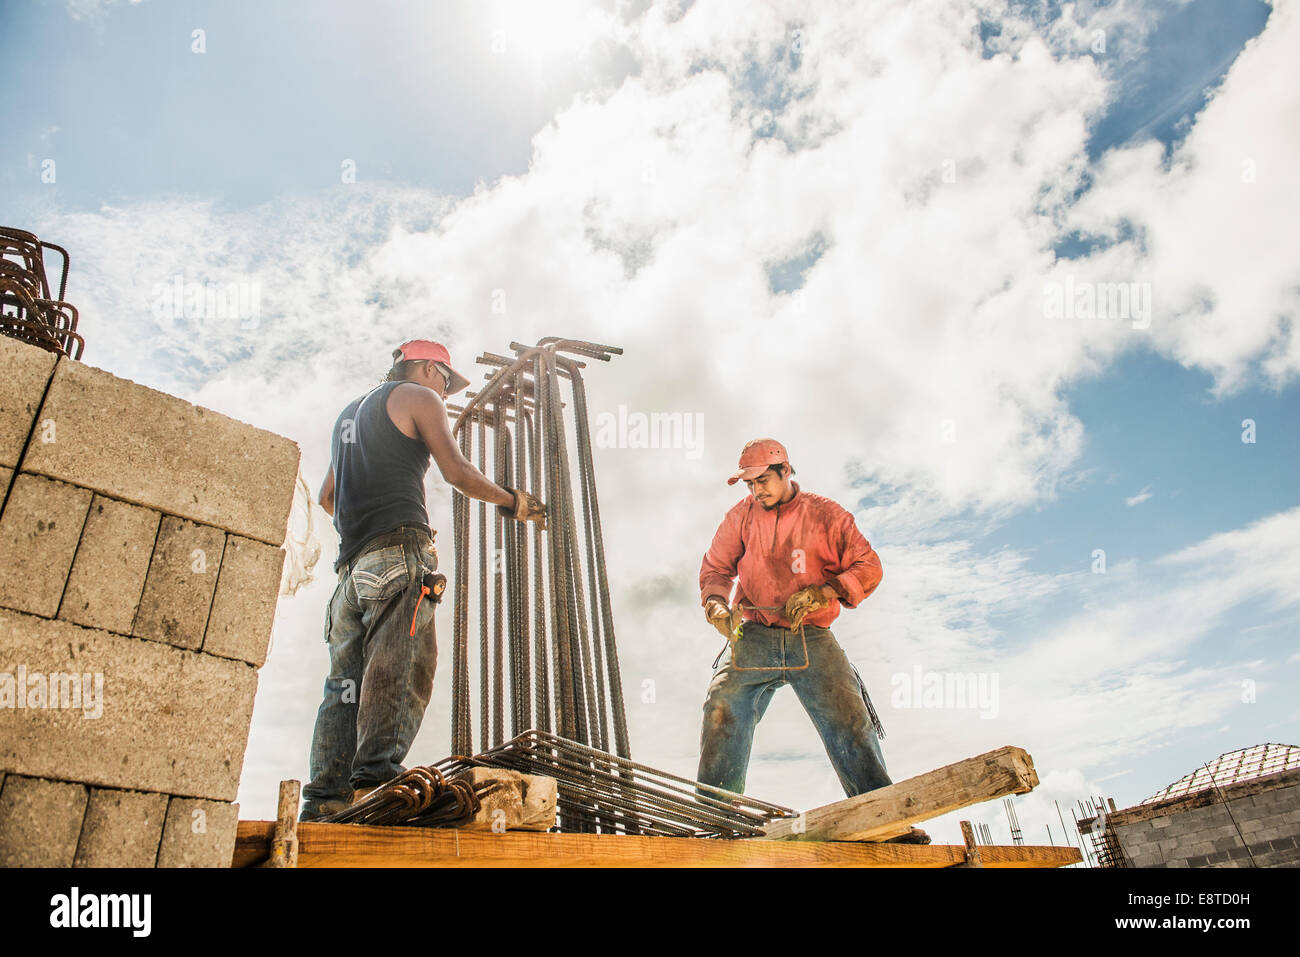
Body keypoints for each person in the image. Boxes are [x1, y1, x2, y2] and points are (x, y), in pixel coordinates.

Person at [300, 339, 546, 821]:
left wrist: (363, 532)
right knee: (401, 665)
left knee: (344, 685)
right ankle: (376, 782)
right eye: (446, 381)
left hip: (350, 573)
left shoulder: (348, 416)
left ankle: (325, 798)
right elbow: (456, 470)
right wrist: (511, 500)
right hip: (399, 554)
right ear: (429, 369)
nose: (447, 393)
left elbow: (328, 496)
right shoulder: (419, 398)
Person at [697, 437, 892, 802]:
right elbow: (716, 569)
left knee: (849, 715)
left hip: (811, 636)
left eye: (763, 481)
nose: (756, 490)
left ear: (785, 471)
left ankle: (882, 812)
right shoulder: (739, 518)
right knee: (721, 705)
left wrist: (824, 592)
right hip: (753, 634)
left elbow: (869, 566)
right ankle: (717, 816)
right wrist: (717, 607)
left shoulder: (826, 515)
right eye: (750, 484)